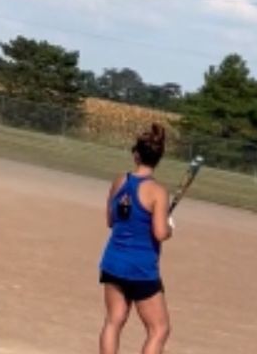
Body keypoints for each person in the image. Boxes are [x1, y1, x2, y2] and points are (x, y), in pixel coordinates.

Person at [99, 124, 175, 354]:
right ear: (158, 158)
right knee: (159, 329)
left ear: (136, 154)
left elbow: (111, 220)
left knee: (114, 321)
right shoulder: (158, 191)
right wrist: (170, 226)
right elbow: (160, 233)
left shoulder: (120, 181)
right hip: (140, 268)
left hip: (113, 261)